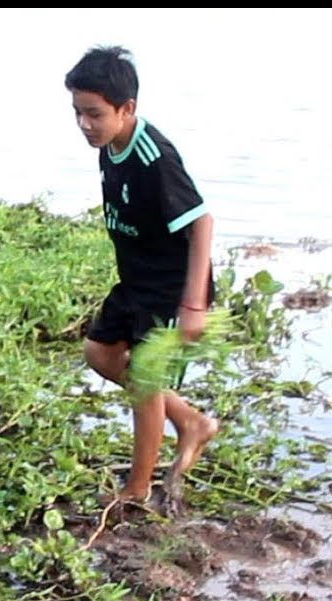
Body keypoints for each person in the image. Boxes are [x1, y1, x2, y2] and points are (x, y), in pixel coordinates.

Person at [64, 45, 219, 508]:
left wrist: (193, 304)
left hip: (169, 288)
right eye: (77, 113)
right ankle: (192, 422)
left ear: (126, 108)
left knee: (146, 385)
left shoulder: (154, 157)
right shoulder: (110, 146)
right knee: (100, 353)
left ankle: (136, 489)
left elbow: (201, 222)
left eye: (94, 114)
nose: (85, 125)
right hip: (136, 279)